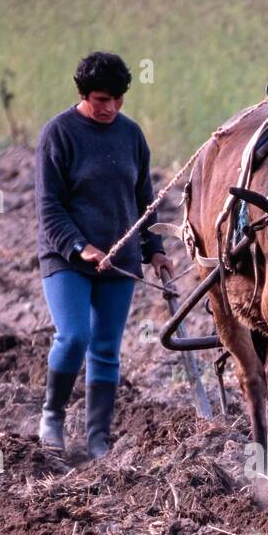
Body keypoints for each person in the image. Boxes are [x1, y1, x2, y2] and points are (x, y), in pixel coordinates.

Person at [34, 51, 173, 457]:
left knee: (107, 350)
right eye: (100, 100)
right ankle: (52, 416)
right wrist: (82, 247)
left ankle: (98, 439)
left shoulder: (130, 135)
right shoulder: (58, 135)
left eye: (117, 100)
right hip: (66, 259)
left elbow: (144, 198)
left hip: (120, 259)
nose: (110, 108)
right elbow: (49, 207)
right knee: (75, 336)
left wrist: (156, 248)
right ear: (83, 94)